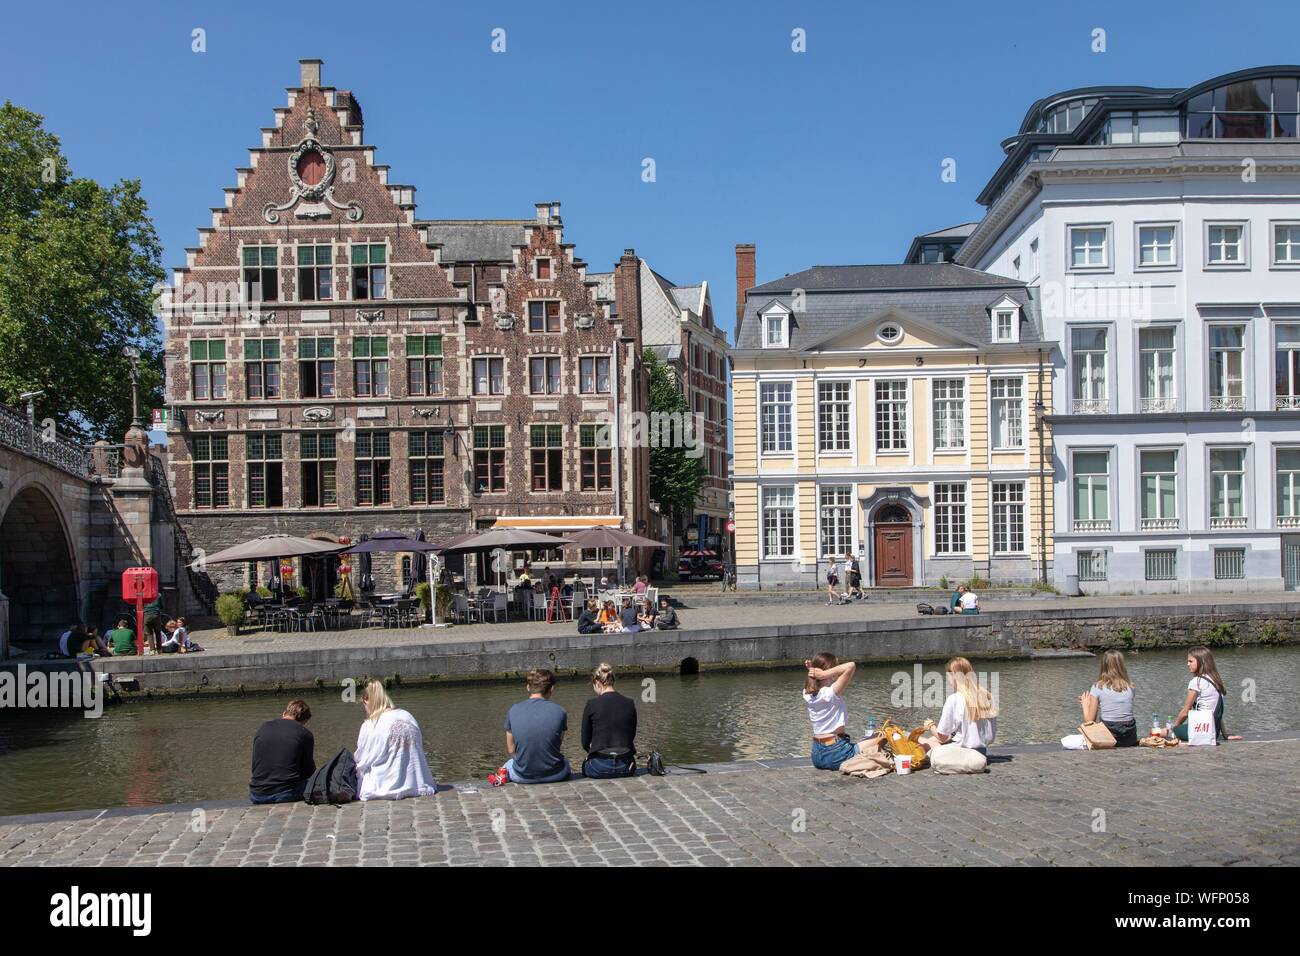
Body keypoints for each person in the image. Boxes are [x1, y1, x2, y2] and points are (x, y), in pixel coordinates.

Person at [354, 680, 438, 800]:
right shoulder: (407, 715)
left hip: (384, 788)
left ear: (366, 700)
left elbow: (362, 761)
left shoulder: (370, 724)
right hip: (418, 784)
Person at [490, 668, 571, 786]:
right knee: (565, 761)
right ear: (552, 689)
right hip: (555, 775)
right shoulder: (560, 711)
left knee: (508, 765)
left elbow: (511, 750)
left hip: (522, 776)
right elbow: (556, 746)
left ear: (528, 687)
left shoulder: (514, 709)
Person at [1061, 650, 1138, 749]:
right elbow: (1118, 706)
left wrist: (1085, 704)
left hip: (1108, 738)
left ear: (1103, 666)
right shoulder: (1131, 687)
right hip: (1129, 739)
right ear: (1122, 665)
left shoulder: (1098, 687)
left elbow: (1090, 721)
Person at [249, 699, 316, 804]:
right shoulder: (304, 733)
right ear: (304, 720)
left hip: (256, 794)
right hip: (286, 793)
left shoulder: (263, 727)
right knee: (318, 782)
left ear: (284, 713)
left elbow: (254, 767)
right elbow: (309, 771)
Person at [928, 656, 997, 755]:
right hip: (981, 752)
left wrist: (930, 726)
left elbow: (942, 737)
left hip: (961, 753)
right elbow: (991, 736)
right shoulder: (987, 696)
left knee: (921, 742)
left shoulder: (954, 699)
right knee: (933, 739)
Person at [1170, 647, 1241, 742]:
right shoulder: (1215, 681)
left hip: (1200, 731)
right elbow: (1217, 712)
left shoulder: (1196, 682)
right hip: (1214, 732)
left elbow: (1185, 712)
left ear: (1201, 662)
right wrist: (1225, 734)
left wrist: (1174, 729)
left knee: (1165, 731)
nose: (1188, 664)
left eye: (1191, 661)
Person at [803, 653, 859, 770]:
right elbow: (851, 666)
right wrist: (824, 674)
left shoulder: (807, 693)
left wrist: (813, 671)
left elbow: (814, 682)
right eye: (835, 667)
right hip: (836, 751)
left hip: (817, 755)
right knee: (880, 738)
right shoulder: (831, 693)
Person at [580, 663, 638, 778]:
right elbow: (631, 735)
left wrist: (593, 748)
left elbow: (585, 741)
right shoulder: (629, 703)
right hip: (625, 766)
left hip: (599, 766)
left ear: (597, 683)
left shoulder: (592, 704)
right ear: (613, 681)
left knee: (585, 765)